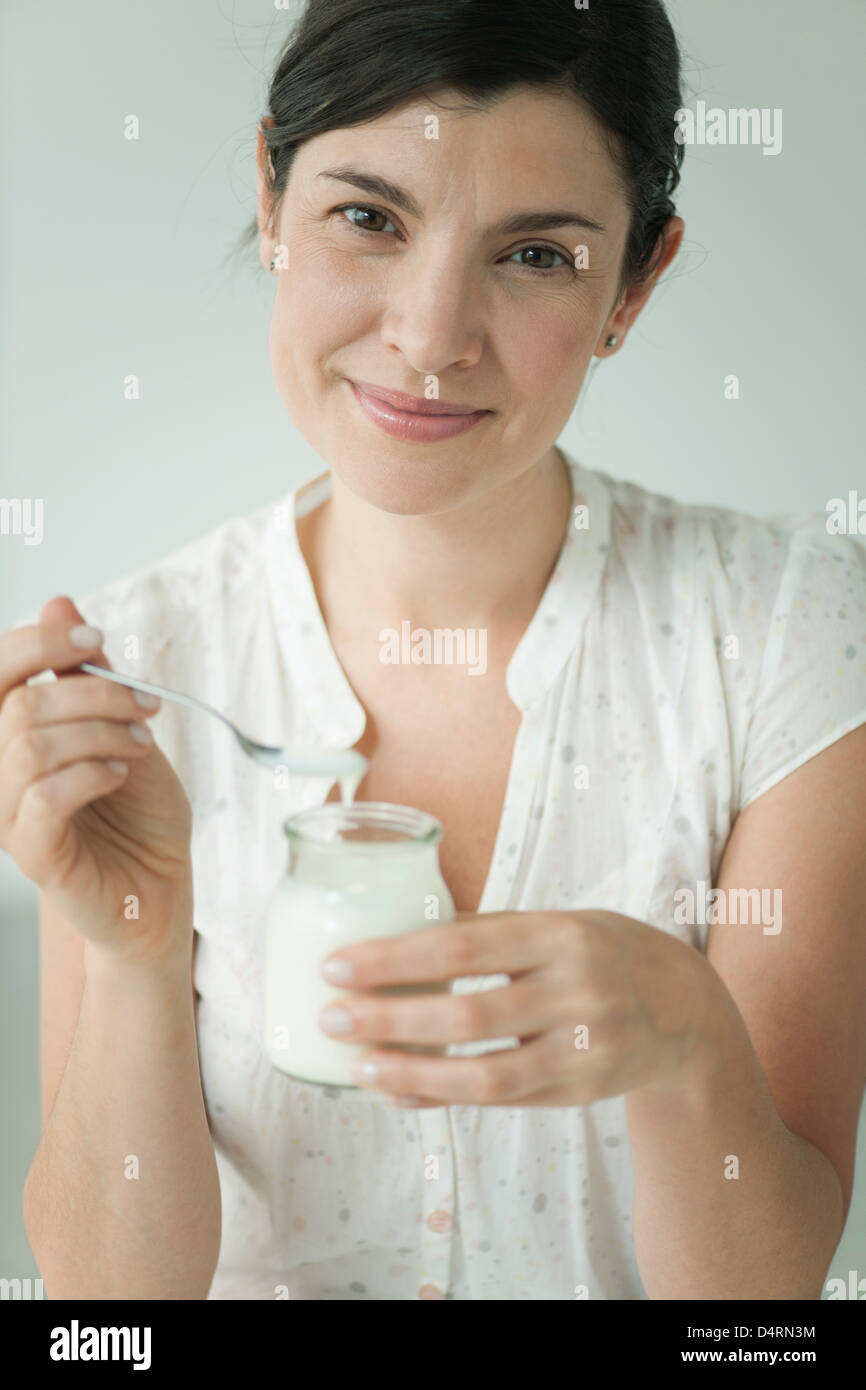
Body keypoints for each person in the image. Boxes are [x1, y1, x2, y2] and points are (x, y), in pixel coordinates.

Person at [6, 0, 865, 1301]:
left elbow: (753, 1319)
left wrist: (686, 1040)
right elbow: (106, 1323)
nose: (427, 334)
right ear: (272, 193)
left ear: (634, 281)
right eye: (369, 217)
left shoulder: (790, 631)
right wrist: (132, 947)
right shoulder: (144, 663)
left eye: (533, 253)